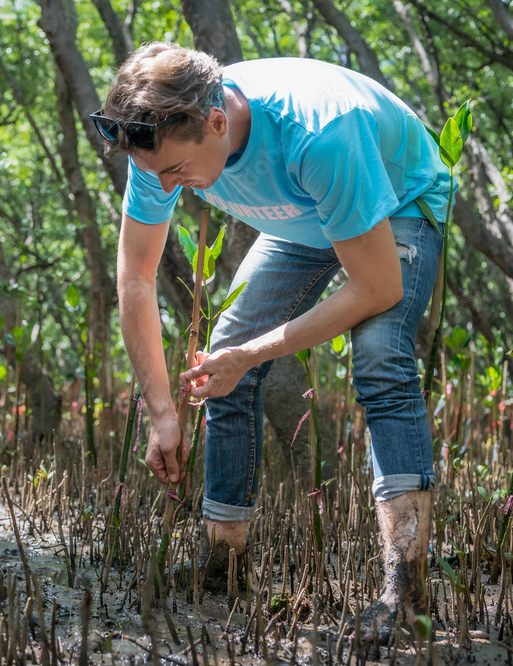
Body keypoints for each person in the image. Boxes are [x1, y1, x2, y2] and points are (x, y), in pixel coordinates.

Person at [94, 43, 448, 641]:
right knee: (222, 359)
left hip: (397, 200)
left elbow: (377, 287)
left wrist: (254, 355)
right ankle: (224, 565)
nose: (165, 185)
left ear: (216, 121)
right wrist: (162, 413)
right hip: (305, 218)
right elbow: (135, 277)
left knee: (380, 358)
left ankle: (405, 594)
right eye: (156, 174)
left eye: (176, 172)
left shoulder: (320, 132)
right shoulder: (156, 144)